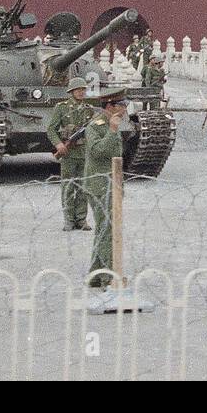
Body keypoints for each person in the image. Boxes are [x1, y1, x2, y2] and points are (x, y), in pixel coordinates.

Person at [83, 93, 128, 291]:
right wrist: (112, 130)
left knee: (105, 228)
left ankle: (96, 274)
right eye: (121, 105)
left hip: (112, 184)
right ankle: (108, 276)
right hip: (99, 185)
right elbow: (98, 152)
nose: (125, 109)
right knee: (107, 230)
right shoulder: (96, 126)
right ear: (110, 106)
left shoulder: (111, 123)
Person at [47, 77, 94, 231]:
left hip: (83, 153)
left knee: (83, 188)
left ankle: (81, 219)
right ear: (71, 91)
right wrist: (59, 144)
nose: (81, 92)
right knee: (68, 187)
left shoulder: (89, 109)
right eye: (78, 89)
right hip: (68, 153)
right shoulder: (62, 108)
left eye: (83, 89)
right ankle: (68, 219)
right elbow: (51, 129)